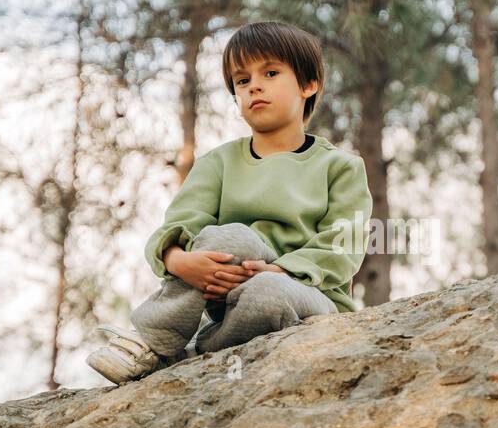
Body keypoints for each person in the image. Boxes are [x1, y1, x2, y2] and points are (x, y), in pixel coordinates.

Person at [86, 21, 373, 385]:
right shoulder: (217, 163)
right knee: (232, 238)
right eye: (242, 80)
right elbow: (178, 227)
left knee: (267, 292)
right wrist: (180, 261)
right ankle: (152, 344)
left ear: (308, 84)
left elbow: (342, 245)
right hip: (223, 295)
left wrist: (280, 271)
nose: (254, 85)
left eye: (270, 72)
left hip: (308, 296)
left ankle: (201, 352)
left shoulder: (340, 167)